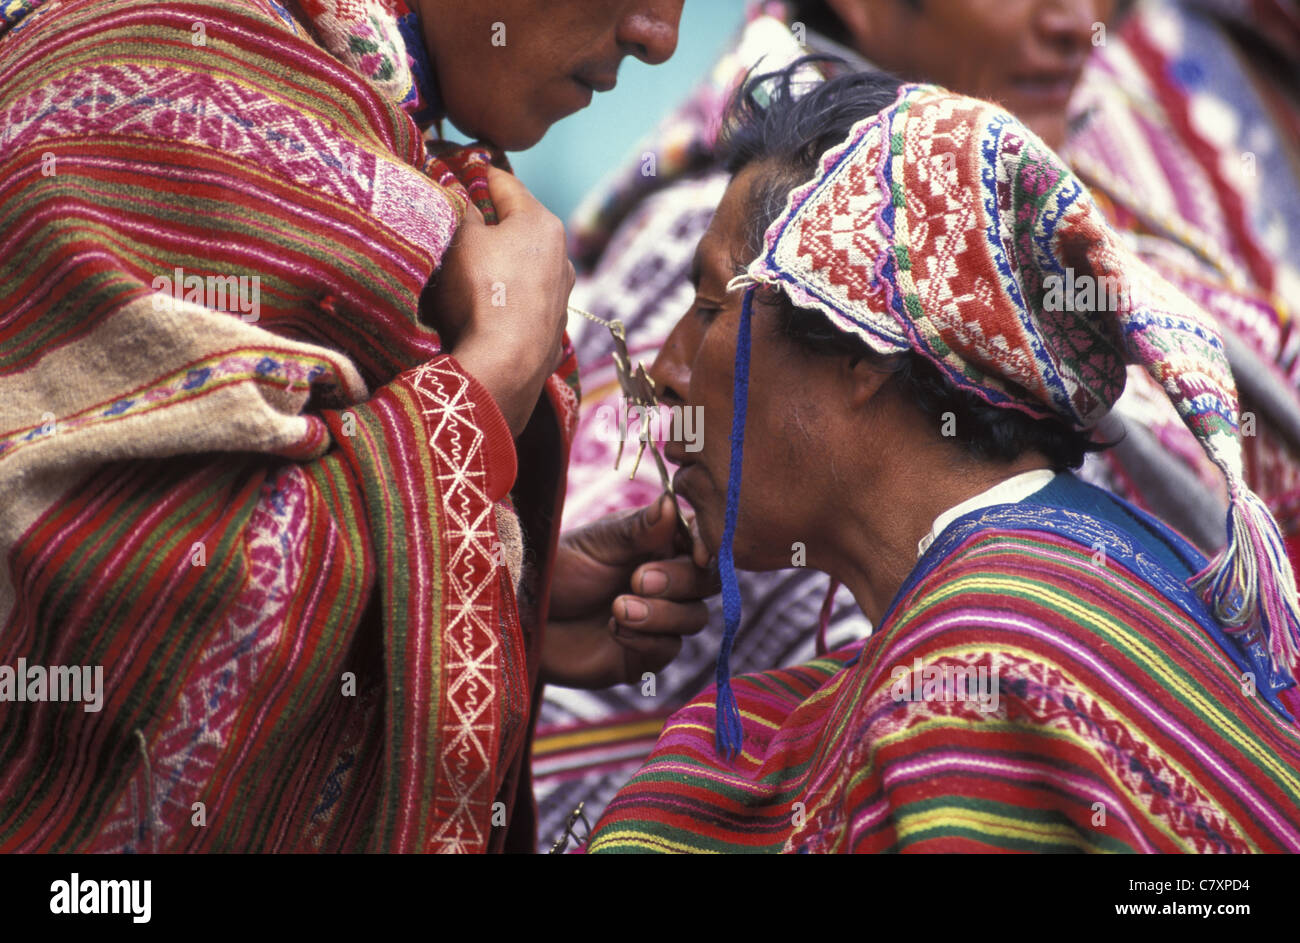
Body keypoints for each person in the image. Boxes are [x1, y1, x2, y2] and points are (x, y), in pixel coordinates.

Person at [537, 0, 1300, 841]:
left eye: (713, 309)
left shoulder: (979, 668)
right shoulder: (1073, 578)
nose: (665, 377)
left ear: (866, 353)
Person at [0, 0, 709, 853]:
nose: (658, 38)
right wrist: (493, 381)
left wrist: (505, 590)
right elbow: (124, 620)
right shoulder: (157, 74)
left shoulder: (392, 141)